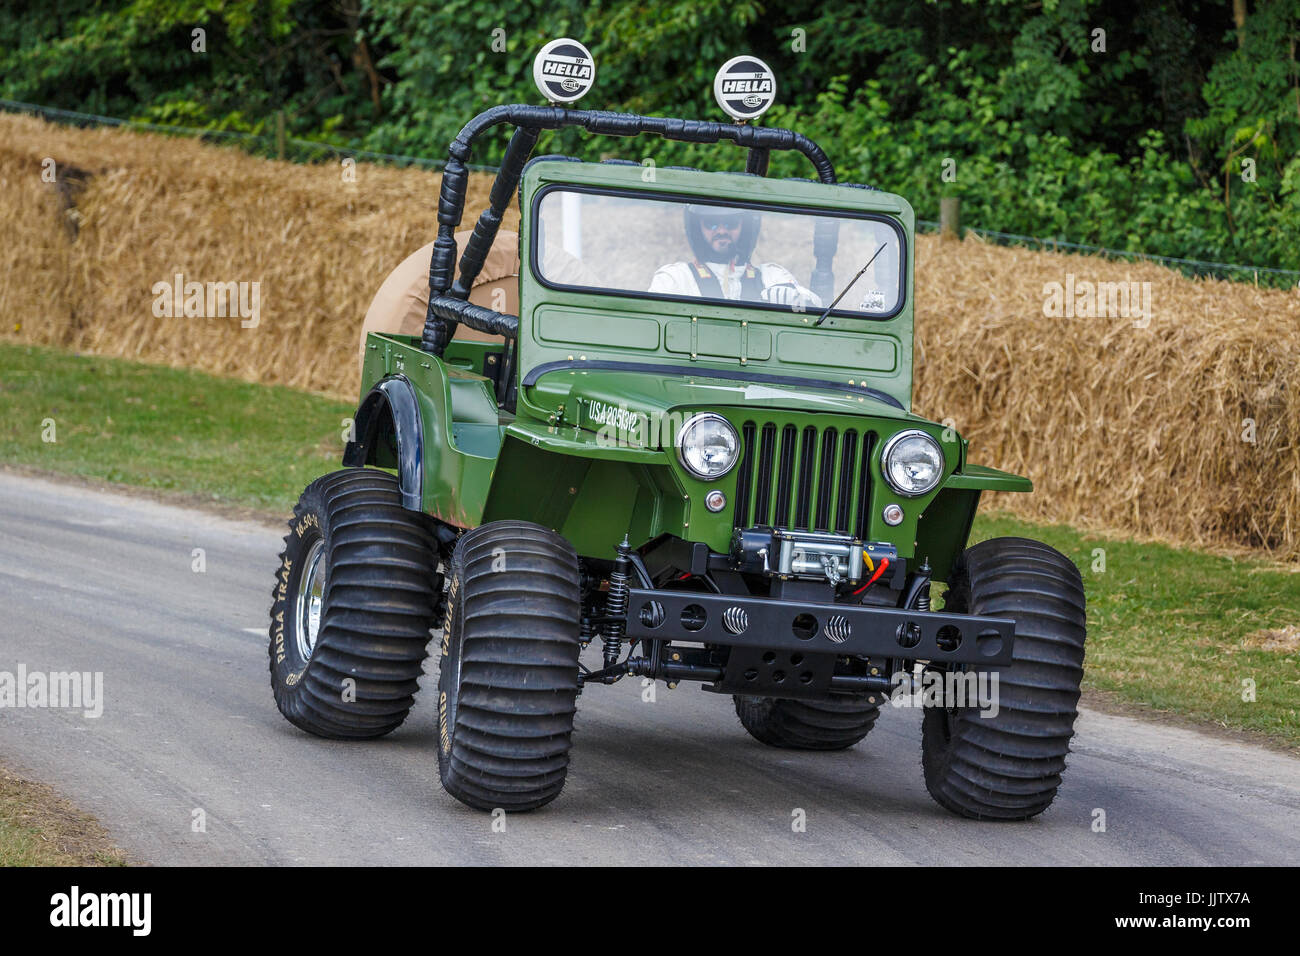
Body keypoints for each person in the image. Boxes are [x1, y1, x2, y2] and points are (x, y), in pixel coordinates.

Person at [648, 205, 822, 310]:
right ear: (697, 228)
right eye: (711, 223)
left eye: (731, 223)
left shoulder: (771, 276)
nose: (722, 231)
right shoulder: (676, 278)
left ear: (744, 227)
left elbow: (815, 307)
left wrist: (796, 296)